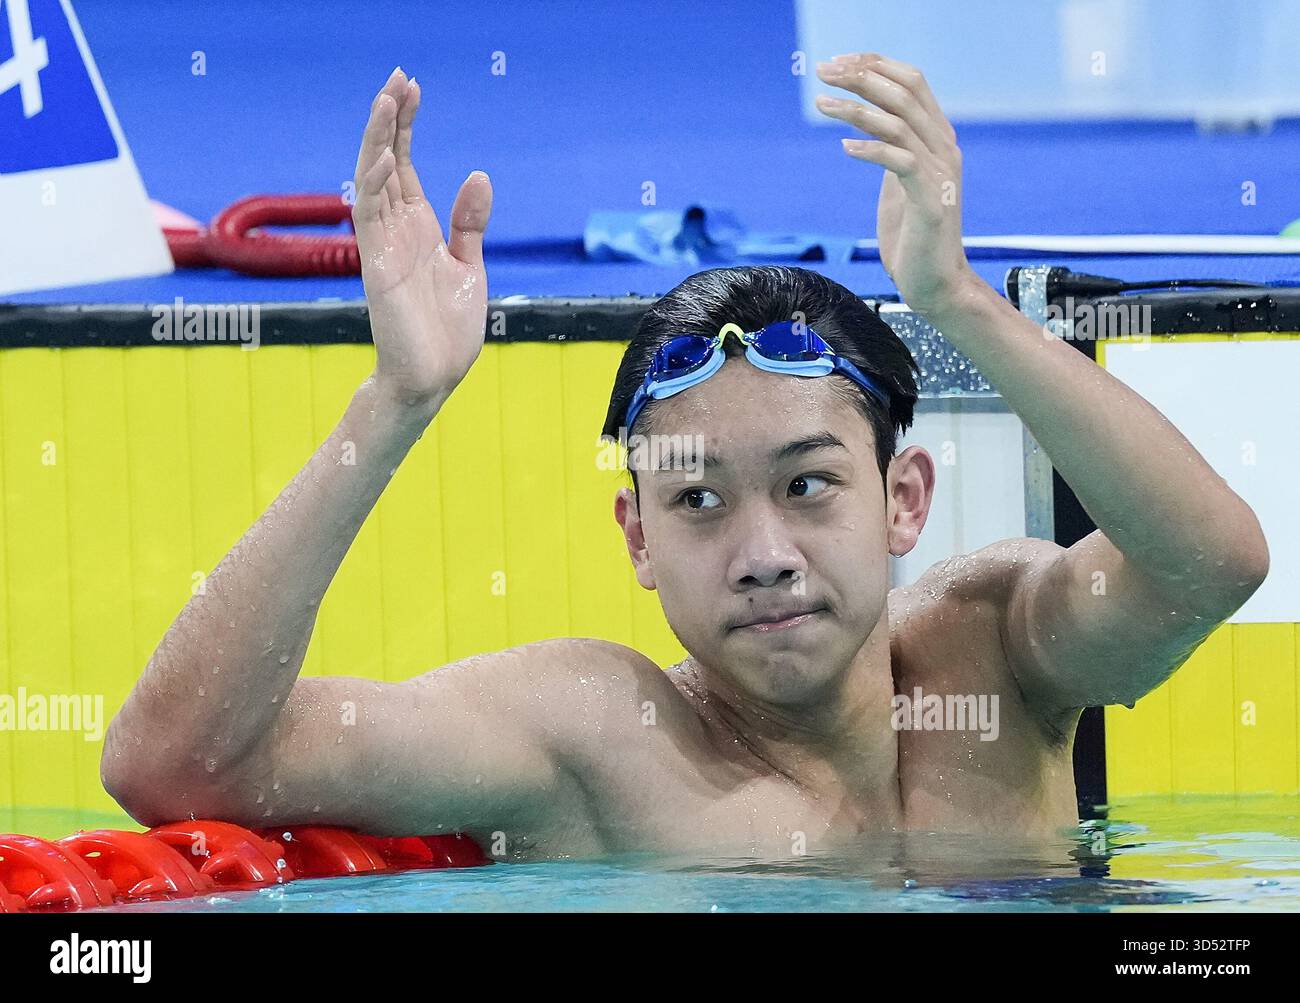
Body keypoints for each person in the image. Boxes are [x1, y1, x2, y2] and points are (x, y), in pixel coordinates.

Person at [102, 56, 1269, 861]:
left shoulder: (995, 660)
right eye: (699, 500)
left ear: (903, 498)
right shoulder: (599, 741)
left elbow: (1209, 561)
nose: (763, 555)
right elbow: (176, 764)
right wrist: (397, 399)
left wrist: (958, 301)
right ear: (638, 539)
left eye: (809, 484)